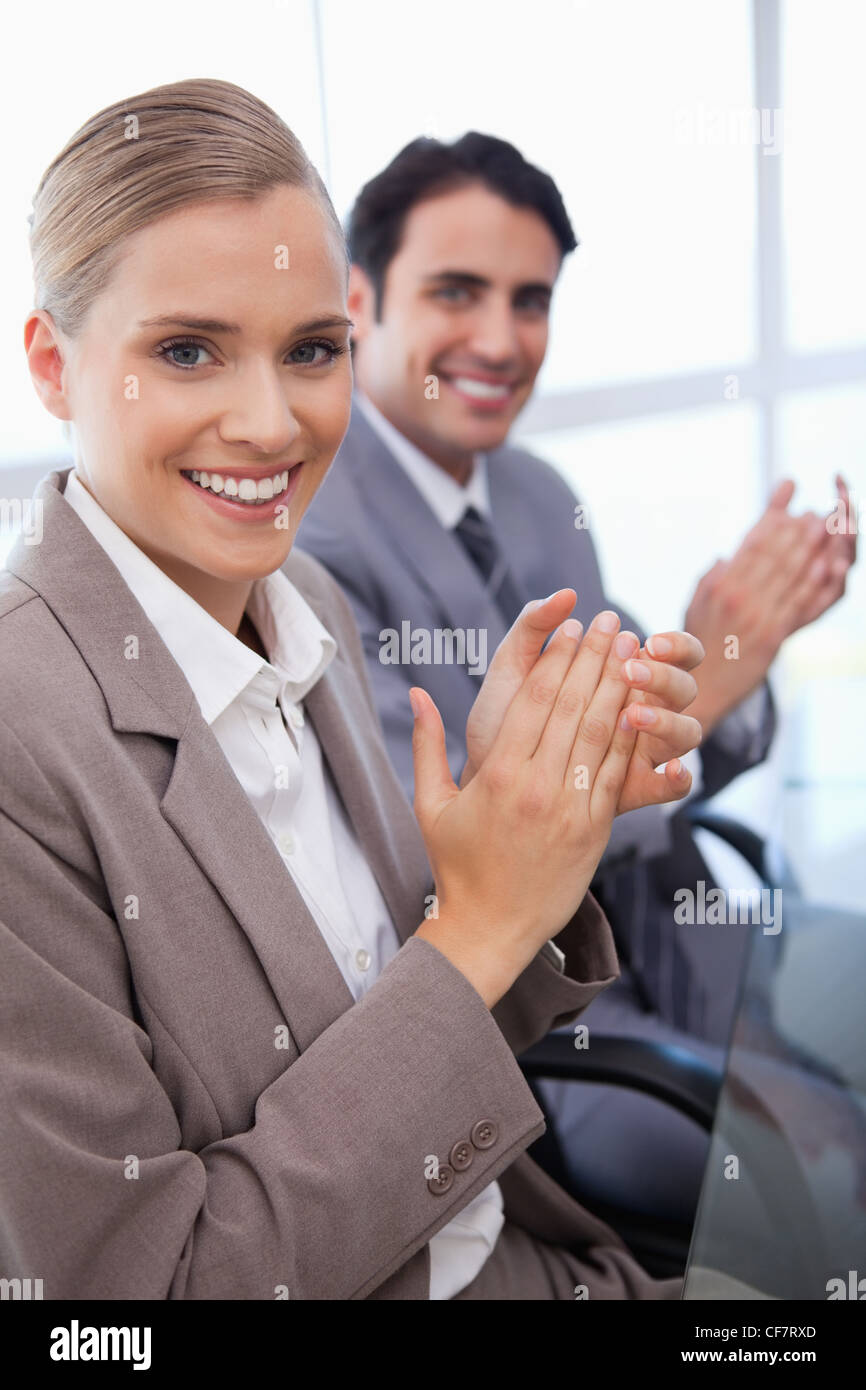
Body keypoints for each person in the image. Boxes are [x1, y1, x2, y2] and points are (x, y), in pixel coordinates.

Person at [0, 79, 705, 1301]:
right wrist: (477, 921)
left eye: (311, 350)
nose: (271, 425)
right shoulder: (25, 734)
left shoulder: (302, 601)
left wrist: (528, 844)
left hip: (525, 1256)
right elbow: (142, 1300)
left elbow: (393, 1025)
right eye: (186, 350)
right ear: (55, 365)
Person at [296, 132, 857, 1224]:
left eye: (531, 299)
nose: (502, 340)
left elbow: (686, 738)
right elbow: (424, 862)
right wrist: (710, 677)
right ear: (357, 298)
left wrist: (736, 651)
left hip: (687, 946)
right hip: (551, 1037)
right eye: (457, 291)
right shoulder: (310, 545)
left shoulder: (540, 495)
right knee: (836, 1176)